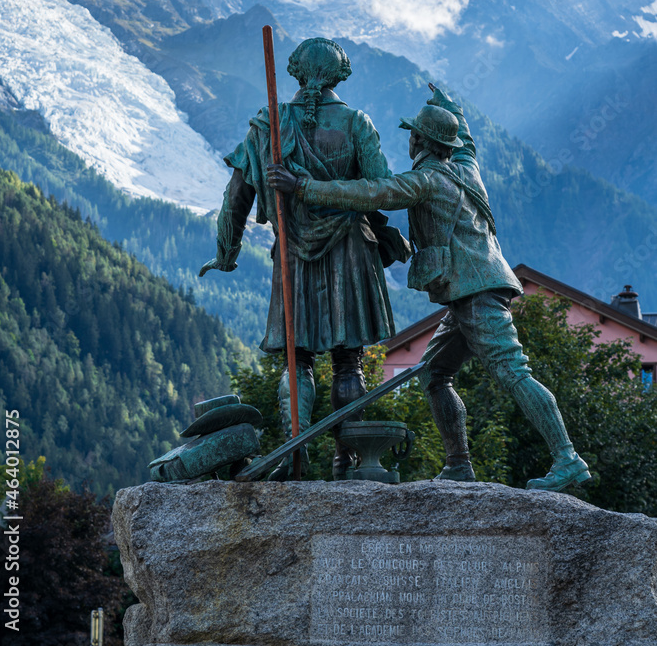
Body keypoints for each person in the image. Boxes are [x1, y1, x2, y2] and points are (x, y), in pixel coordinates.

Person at [268, 84, 591, 493]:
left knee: (513, 372)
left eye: (412, 134)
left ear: (417, 140)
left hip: (475, 292)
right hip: (469, 294)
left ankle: (567, 458)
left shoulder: (423, 181)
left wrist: (302, 187)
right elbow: (467, 140)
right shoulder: (466, 166)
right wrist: (450, 105)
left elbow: (370, 192)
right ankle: (458, 464)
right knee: (435, 373)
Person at [199, 37, 409, 479]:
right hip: (351, 250)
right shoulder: (355, 123)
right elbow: (383, 190)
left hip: (294, 251)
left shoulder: (268, 125)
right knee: (348, 360)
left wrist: (227, 251)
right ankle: (348, 460)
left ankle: (298, 455)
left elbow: (235, 198)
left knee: (297, 359)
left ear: (295, 72)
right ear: (339, 75)